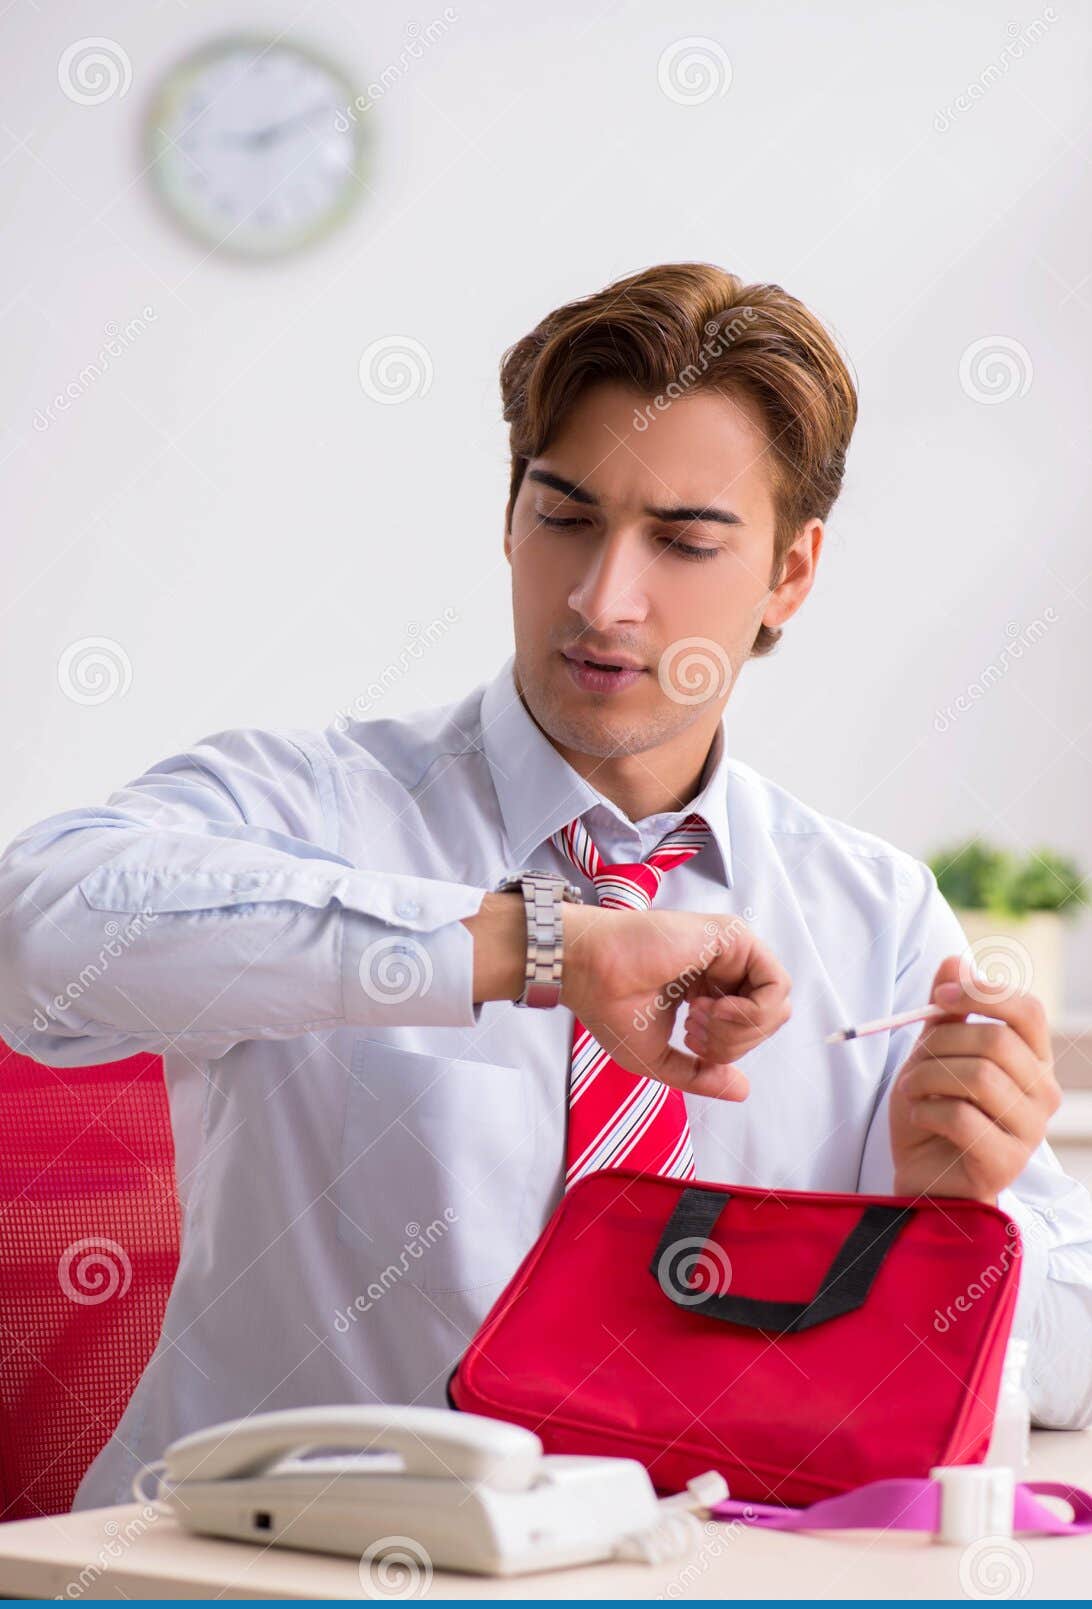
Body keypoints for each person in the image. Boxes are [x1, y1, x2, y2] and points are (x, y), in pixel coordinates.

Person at [1, 263, 1088, 1514]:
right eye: (566, 515)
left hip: (693, 1593)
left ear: (791, 573)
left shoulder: (874, 918)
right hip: (280, 1586)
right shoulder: (315, 807)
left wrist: (944, 1232)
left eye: (683, 541)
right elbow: (35, 933)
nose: (601, 599)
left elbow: (1073, 1352)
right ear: (510, 516)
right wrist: (529, 947)